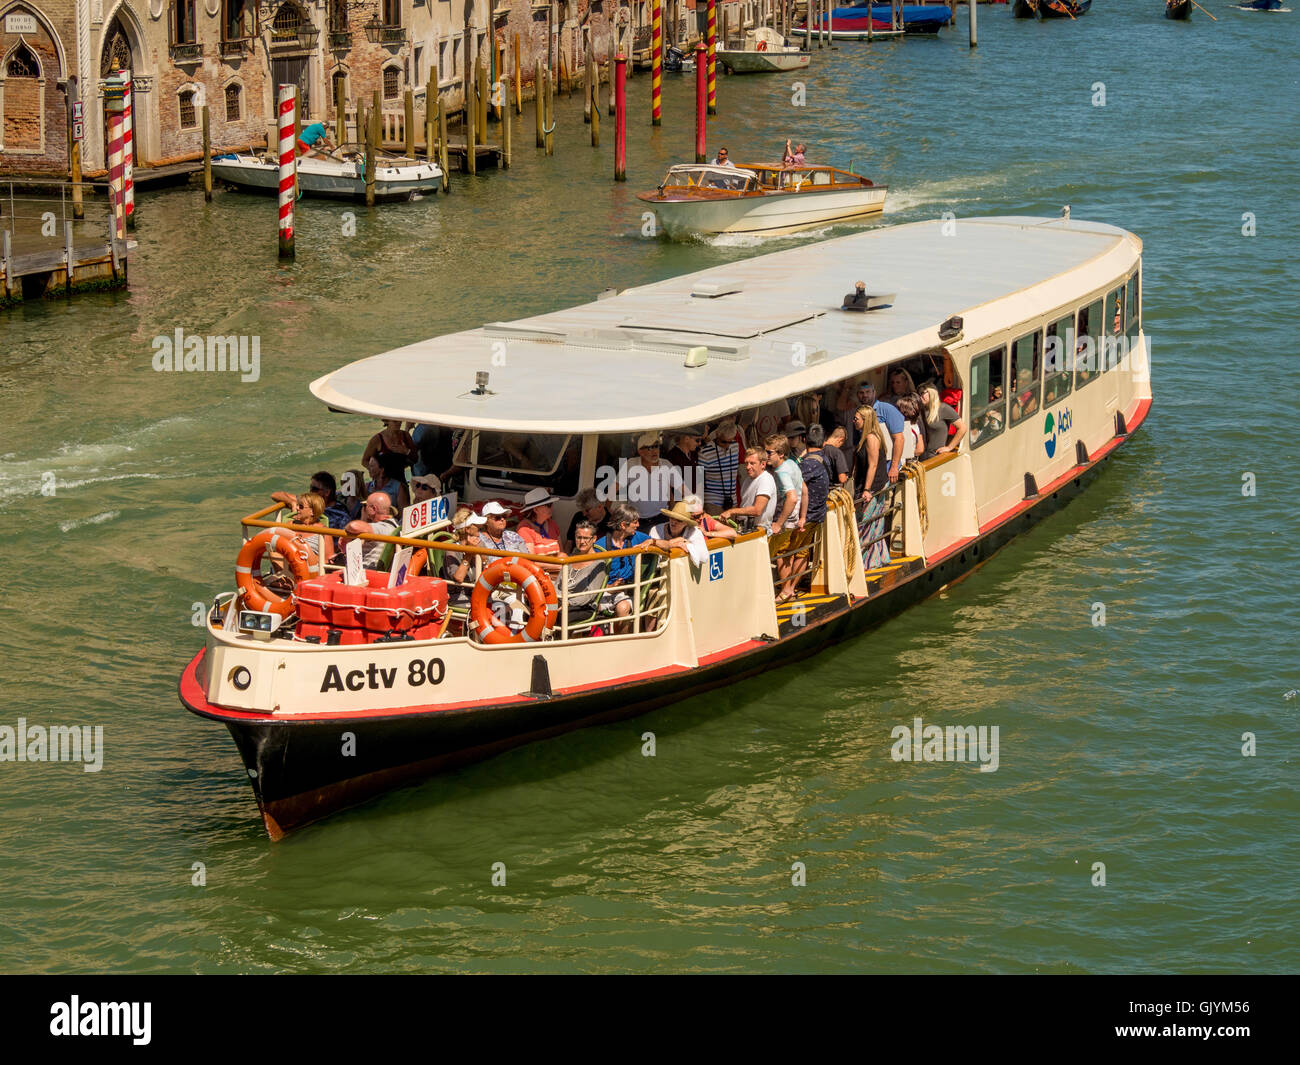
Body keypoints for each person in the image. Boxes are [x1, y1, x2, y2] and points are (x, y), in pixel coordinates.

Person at [594, 504, 654, 633]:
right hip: (605, 591)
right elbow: (592, 580)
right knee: (588, 607)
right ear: (623, 525)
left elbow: (664, 543)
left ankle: (623, 642)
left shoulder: (637, 537)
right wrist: (610, 588)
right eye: (635, 522)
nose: (638, 525)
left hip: (627, 592)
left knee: (623, 607)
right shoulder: (599, 546)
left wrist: (652, 542)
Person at [852, 407, 892, 570]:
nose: (854, 421)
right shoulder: (867, 436)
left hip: (873, 486)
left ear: (865, 420)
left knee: (866, 523)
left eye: (856, 419)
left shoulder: (871, 438)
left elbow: (873, 464)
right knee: (874, 523)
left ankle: (868, 561)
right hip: (874, 484)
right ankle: (879, 557)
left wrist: (867, 490)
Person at [615, 432, 685, 520]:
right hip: (636, 519)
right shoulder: (631, 464)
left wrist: (693, 508)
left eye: (656, 446)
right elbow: (615, 486)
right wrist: (606, 510)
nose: (654, 451)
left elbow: (683, 489)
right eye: (649, 448)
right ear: (640, 451)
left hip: (661, 517)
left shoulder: (666, 465)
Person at [859, 380, 905, 484]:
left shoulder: (886, 409)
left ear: (874, 392)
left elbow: (899, 439)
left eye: (868, 392)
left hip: (887, 468)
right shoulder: (859, 413)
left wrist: (894, 467)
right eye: (861, 393)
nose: (865, 395)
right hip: (868, 468)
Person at [271, 471, 350, 530]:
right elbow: (276, 495)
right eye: (311, 487)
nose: (310, 491)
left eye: (314, 489)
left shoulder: (338, 516)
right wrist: (292, 503)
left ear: (327, 492)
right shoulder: (309, 501)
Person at [722, 448, 776, 531]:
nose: (747, 467)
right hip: (746, 529)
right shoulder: (748, 480)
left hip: (759, 531)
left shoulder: (765, 479)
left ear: (763, 464)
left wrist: (731, 511)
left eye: (752, 463)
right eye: (746, 463)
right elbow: (745, 505)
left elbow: (757, 510)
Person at [697, 418, 744, 515]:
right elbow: (699, 481)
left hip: (732, 501)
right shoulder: (705, 452)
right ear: (717, 435)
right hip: (712, 502)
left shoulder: (735, 446)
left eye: (730, 441)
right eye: (723, 442)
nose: (727, 445)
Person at [442, 507, 486, 605]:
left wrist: (481, 555)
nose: (480, 526)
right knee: (477, 607)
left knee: (500, 605)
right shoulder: (452, 550)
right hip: (458, 595)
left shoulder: (480, 544)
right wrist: (469, 555)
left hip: (476, 592)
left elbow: (487, 566)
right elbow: (459, 578)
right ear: (467, 529)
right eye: (477, 525)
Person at [343, 492, 398, 568]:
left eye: (365, 506)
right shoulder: (394, 525)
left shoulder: (381, 528)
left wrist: (344, 535)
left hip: (367, 573)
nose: (363, 509)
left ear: (373, 509)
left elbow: (354, 526)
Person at [649, 501, 709, 567]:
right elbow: (653, 555)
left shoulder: (694, 531)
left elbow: (704, 558)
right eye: (672, 518)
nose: (674, 522)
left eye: (679, 520)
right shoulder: (656, 530)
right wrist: (675, 542)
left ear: (686, 523)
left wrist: (688, 545)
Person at [920, 385, 965, 455]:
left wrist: (949, 447)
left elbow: (962, 428)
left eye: (922, 393)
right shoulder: (921, 411)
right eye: (918, 394)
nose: (920, 396)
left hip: (936, 456)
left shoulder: (943, 408)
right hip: (923, 456)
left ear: (932, 393)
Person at [516, 487, 563, 554]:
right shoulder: (524, 529)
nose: (551, 507)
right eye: (548, 505)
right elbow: (530, 558)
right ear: (536, 510)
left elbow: (561, 552)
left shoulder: (552, 524)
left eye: (551, 504)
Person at [663, 426, 704, 498]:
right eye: (697, 440)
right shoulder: (672, 457)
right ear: (686, 439)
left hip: (694, 499)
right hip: (681, 501)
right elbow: (673, 484)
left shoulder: (694, 454)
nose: (699, 443)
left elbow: (699, 478)